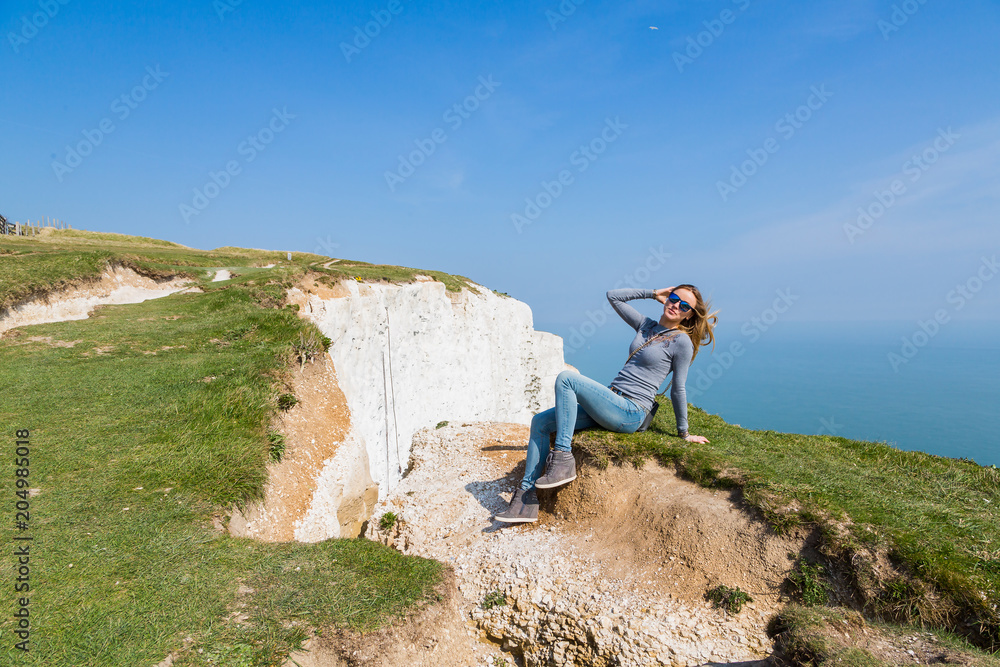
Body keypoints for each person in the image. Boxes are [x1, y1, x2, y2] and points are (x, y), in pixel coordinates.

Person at [494, 285, 717, 524]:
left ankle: (562, 459)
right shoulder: (647, 325)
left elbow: (678, 388)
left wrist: (684, 433)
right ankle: (525, 502)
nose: (676, 305)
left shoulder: (681, 341)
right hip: (613, 401)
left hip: (631, 411)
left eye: (684, 305)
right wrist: (652, 293)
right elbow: (613, 296)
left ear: (690, 314)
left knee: (567, 379)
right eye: (674, 299)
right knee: (540, 422)